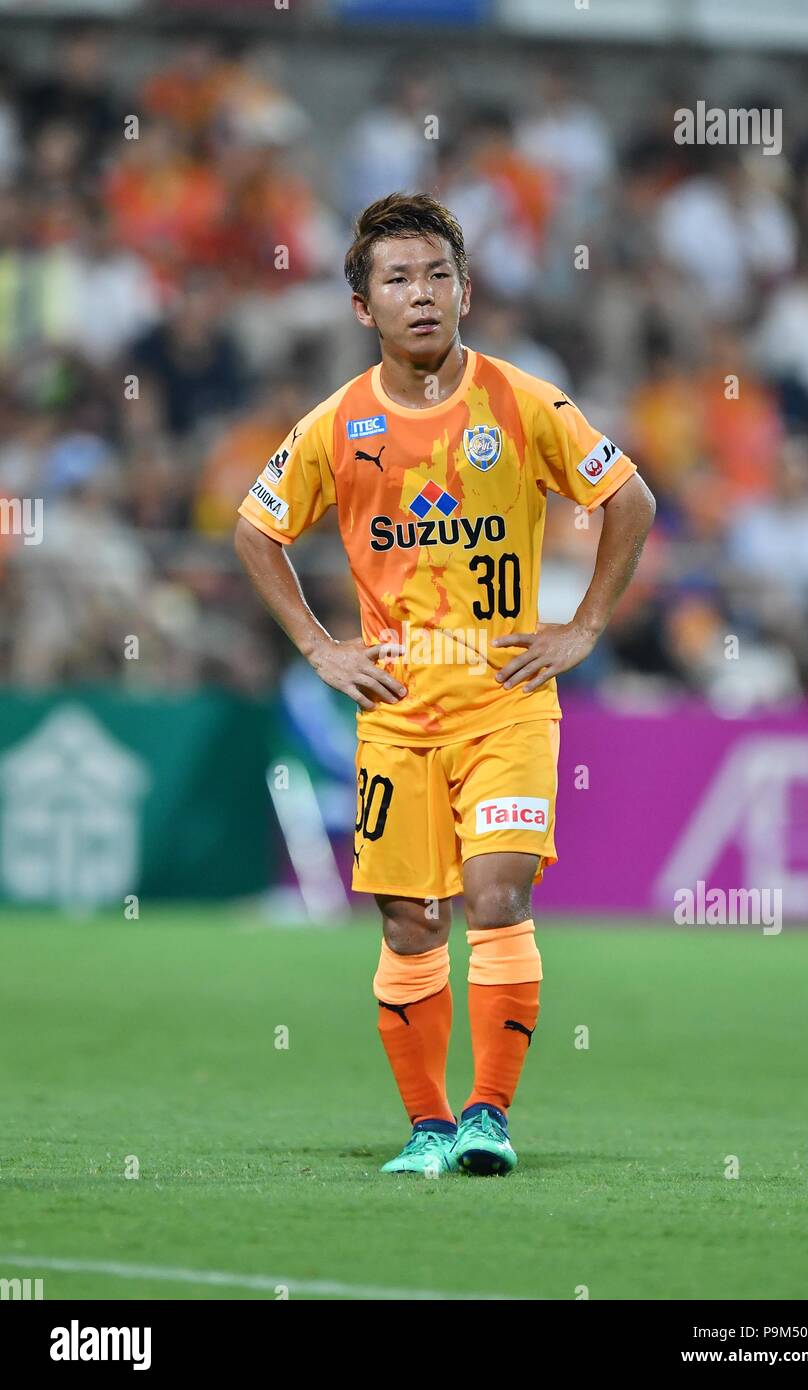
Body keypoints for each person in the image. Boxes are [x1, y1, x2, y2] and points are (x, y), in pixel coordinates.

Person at [235, 193, 655, 1177]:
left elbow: (627, 498)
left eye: (435, 276)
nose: (419, 295)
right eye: (396, 279)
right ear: (360, 306)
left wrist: (581, 624)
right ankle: (425, 1126)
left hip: (505, 693)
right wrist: (316, 646)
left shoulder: (522, 402)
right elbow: (256, 530)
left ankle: (486, 1117)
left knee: (494, 892)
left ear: (465, 290)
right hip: (394, 708)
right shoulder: (337, 425)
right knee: (409, 918)